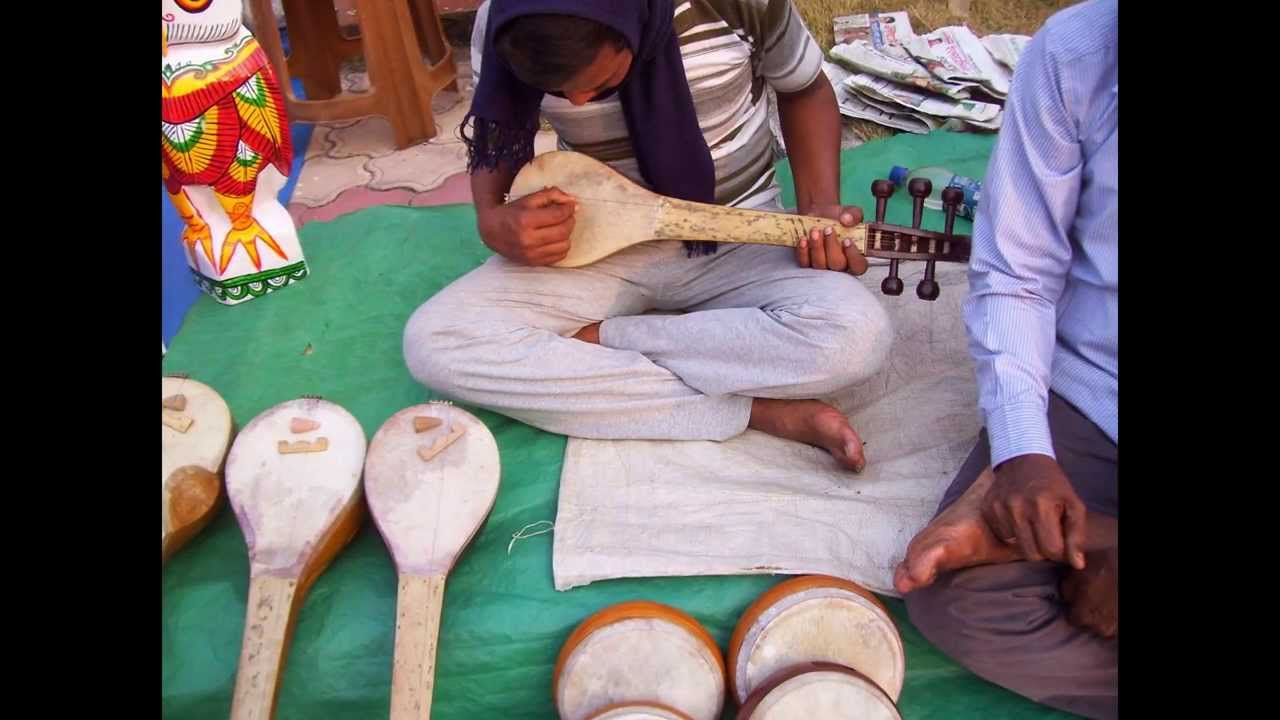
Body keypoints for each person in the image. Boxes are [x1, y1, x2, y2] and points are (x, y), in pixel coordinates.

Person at [404, 0, 893, 470]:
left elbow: (804, 88)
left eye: (597, 82)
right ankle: (756, 410)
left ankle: (600, 341)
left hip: (743, 233)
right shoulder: (508, 16)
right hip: (595, 243)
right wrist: (493, 219)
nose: (573, 102)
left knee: (856, 337)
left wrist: (817, 210)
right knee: (437, 342)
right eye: (557, 89)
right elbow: (498, 131)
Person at [891, 0, 1118, 717]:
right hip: (1097, 386)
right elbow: (1018, 272)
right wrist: (1023, 450)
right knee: (959, 606)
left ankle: (1081, 537)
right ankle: (1072, 534)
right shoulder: (1079, 53)